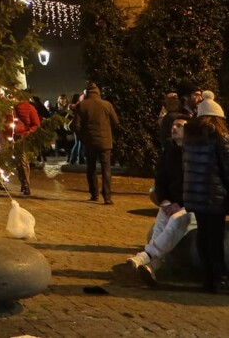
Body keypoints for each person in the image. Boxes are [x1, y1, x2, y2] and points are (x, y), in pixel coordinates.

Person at [130, 111, 193, 285]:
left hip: (190, 206)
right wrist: (165, 202)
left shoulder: (194, 154)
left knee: (174, 222)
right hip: (171, 203)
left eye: (180, 126)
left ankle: (146, 256)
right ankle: (151, 267)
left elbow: (193, 185)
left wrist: (180, 205)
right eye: (174, 125)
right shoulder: (169, 152)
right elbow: (161, 180)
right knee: (159, 225)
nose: (174, 128)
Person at [181, 92, 229, 293]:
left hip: (195, 194)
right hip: (215, 194)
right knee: (215, 237)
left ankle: (207, 278)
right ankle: (221, 279)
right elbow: (226, 166)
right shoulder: (219, 136)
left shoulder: (190, 136)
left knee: (203, 234)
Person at [71, 82, 119, 204]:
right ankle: (107, 197)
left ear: (87, 93)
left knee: (91, 168)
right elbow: (116, 122)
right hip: (105, 142)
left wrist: (83, 137)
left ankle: (94, 194)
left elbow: (76, 126)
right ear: (98, 92)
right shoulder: (106, 105)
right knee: (106, 169)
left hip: (90, 142)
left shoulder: (82, 105)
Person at [11, 93, 42, 196]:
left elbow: (36, 123)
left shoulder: (29, 108)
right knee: (18, 162)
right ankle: (23, 182)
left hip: (23, 137)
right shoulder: (11, 109)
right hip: (13, 137)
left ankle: (26, 185)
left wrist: (28, 133)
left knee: (23, 161)